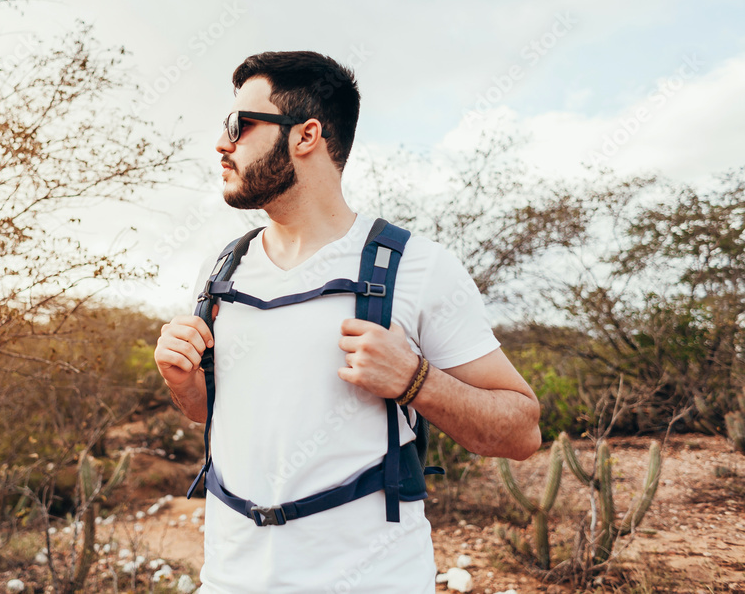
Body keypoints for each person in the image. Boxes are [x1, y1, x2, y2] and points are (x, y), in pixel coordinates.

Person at [153, 51, 541, 593]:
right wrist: (184, 384)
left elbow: (522, 431)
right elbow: (213, 414)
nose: (222, 144)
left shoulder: (417, 267)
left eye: (240, 126)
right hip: (228, 579)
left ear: (305, 135)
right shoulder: (222, 268)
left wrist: (416, 381)